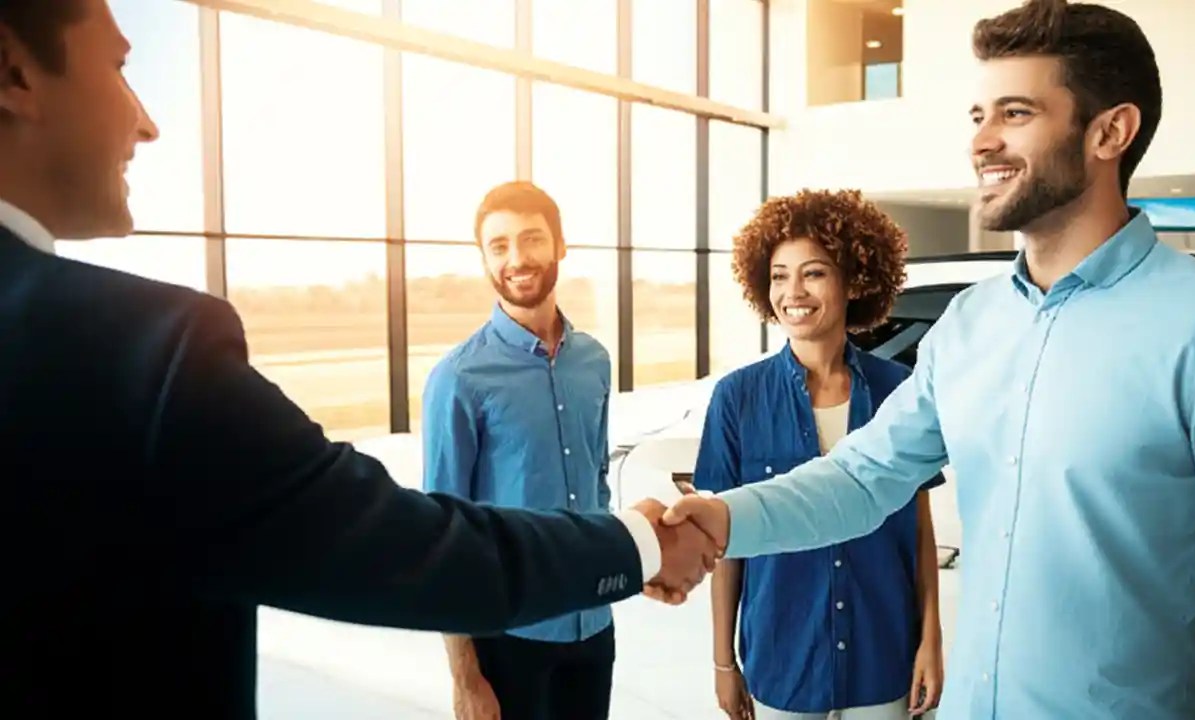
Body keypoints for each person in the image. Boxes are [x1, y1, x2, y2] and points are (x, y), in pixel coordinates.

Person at [0, 1, 717, 715]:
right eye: (120, 67)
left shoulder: (593, 359)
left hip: (590, 628)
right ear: (14, 72)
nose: (146, 120)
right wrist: (634, 547)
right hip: (519, 625)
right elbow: (403, 537)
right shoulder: (143, 349)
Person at [659, 1, 1195, 718]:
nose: (981, 142)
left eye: (1015, 113)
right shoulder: (971, 325)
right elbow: (862, 479)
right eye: (977, 115)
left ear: (1111, 131)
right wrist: (716, 518)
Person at [696, 189, 945, 720]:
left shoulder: (899, 390)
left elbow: (919, 529)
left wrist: (931, 640)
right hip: (782, 655)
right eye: (780, 275)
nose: (793, 292)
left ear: (853, 280)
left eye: (813, 273)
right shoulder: (737, 398)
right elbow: (724, 542)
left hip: (884, 652)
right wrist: (724, 663)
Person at [422, 181, 621, 720]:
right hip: (509, 637)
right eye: (499, 245)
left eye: (532, 239)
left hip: (592, 623)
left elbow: (597, 481)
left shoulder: (595, 362)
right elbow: (442, 534)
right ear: (484, 259)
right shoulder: (460, 377)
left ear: (560, 245)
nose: (517, 259)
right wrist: (465, 676)